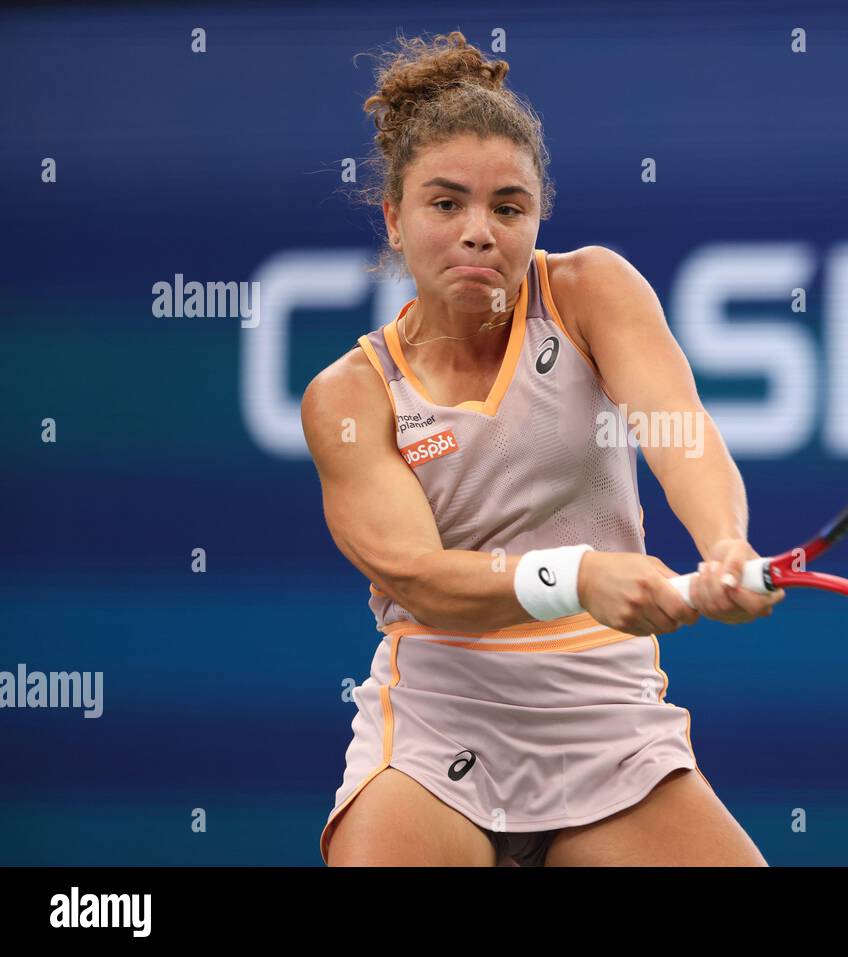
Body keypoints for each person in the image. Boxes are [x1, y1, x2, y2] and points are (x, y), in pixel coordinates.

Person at [303, 31, 784, 867]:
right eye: (446, 203)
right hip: (435, 734)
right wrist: (578, 575)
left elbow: (679, 433)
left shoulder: (590, 291)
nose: (479, 232)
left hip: (608, 724)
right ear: (394, 217)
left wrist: (725, 544)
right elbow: (418, 577)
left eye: (508, 207)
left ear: (538, 218)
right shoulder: (349, 394)